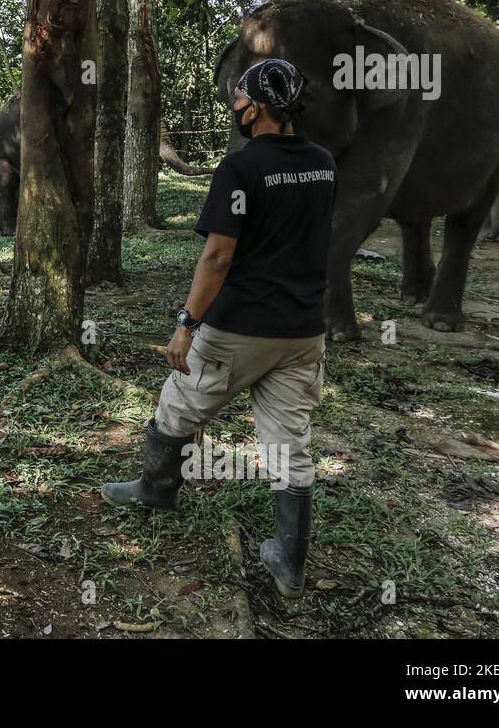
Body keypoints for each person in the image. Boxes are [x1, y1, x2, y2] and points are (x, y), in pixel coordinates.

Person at [100, 59, 336, 599]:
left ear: (254, 108)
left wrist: (186, 324)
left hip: (238, 327)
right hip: (303, 331)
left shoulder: (240, 167)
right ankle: (289, 560)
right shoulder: (324, 164)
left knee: (176, 407)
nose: (236, 111)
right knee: (289, 443)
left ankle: (156, 490)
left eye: (239, 102)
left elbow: (218, 256)